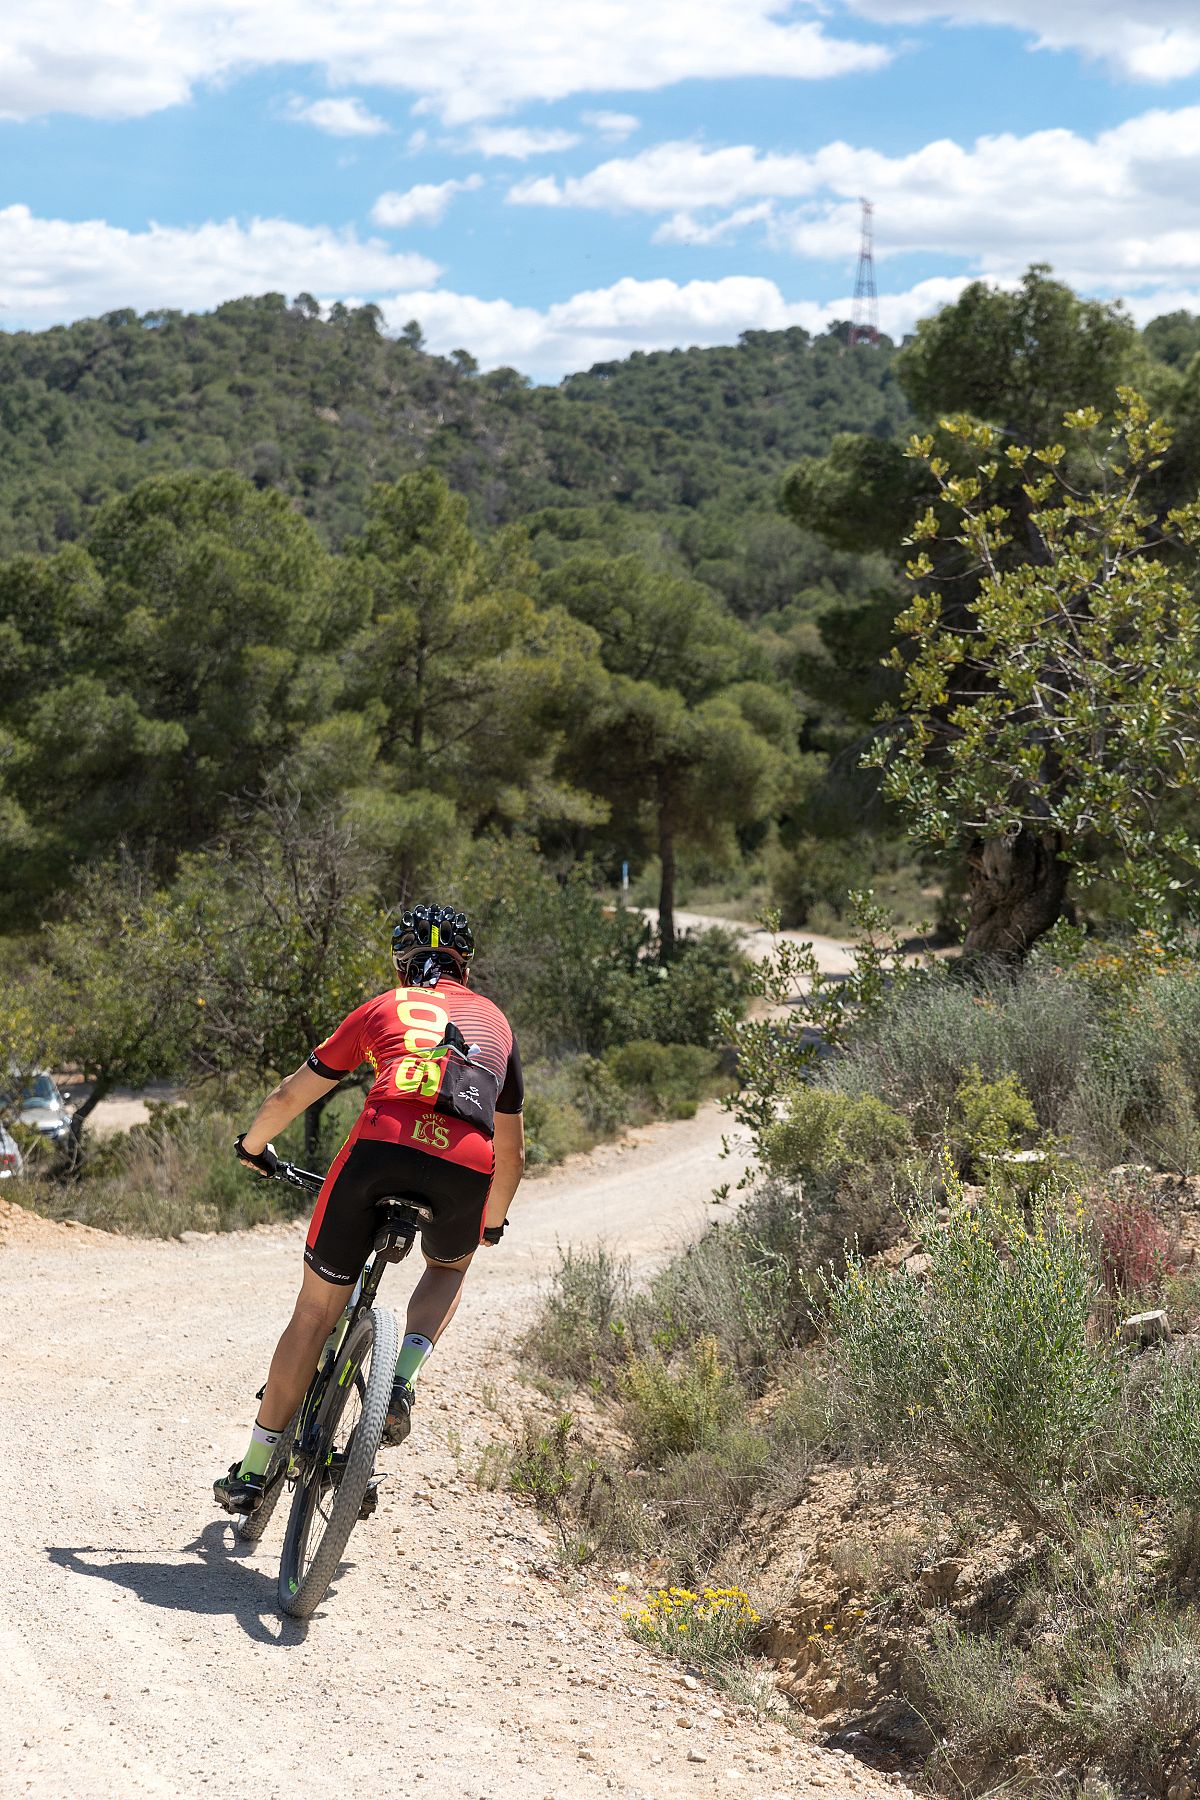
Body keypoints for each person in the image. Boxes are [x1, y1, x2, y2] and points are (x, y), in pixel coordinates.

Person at [214, 903, 525, 1513]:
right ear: (466, 963)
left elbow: (287, 1096)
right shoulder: (497, 1025)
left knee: (313, 1312)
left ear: (403, 962)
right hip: (466, 1164)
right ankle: (399, 1379)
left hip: (379, 1150)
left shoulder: (385, 1007)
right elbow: (511, 1152)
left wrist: (253, 1148)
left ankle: (252, 1472)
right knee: (447, 1269)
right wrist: (490, 1221)